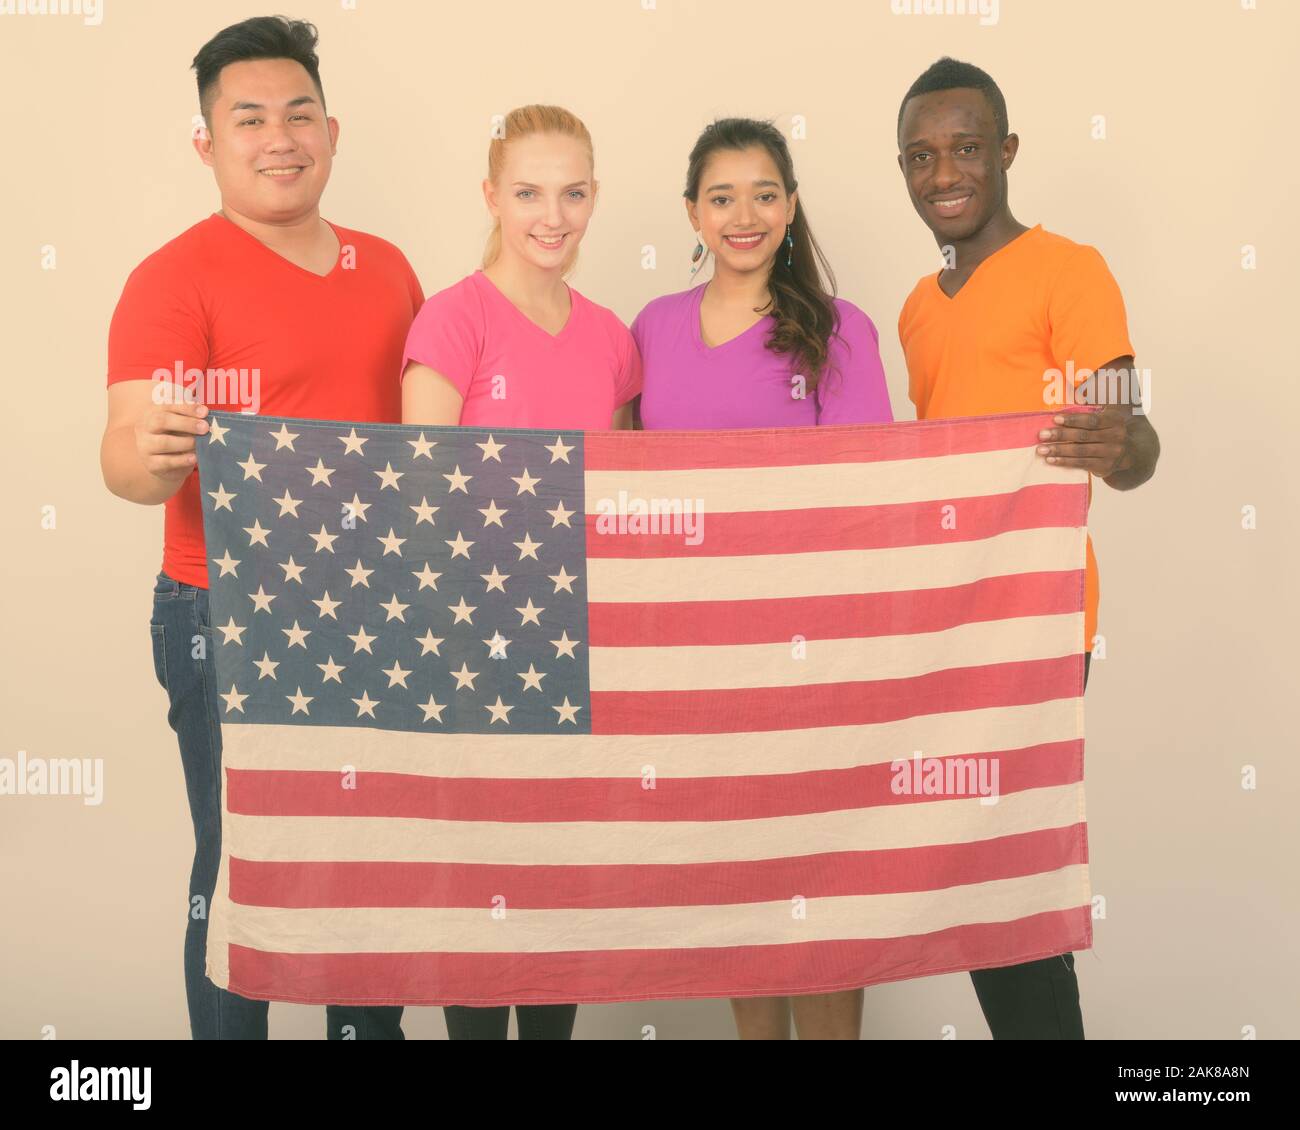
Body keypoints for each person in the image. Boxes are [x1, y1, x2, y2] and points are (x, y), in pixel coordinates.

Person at [100, 15, 423, 1040]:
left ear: (331, 130)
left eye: (298, 114)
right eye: (249, 119)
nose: (278, 137)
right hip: (223, 609)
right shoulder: (171, 278)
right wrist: (144, 454)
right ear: (207, 142)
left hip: (380, 610)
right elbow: (124, 452)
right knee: (243, 863)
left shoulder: (391, 271)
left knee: (371, 863)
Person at [895, 56, 1161, 1039]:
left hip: (1041, 619)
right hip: (947, 626)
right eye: (921, 156)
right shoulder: (915, 308)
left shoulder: (1069, 268)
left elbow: (1131, 436)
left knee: (998, 874)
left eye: (965, 148)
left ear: (1004, 152)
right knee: (979, 878)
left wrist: (1125, 439)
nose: (944, 173)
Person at [631, 117, 894, 1039]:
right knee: (740, 882)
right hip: (699, 661)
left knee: (819, 889)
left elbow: (869, 507)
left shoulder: (839, 331)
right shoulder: (653, 328)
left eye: (765, 193)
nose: (745, 215)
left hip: (810, 658)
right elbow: (624, 486)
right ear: (693, 213)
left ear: (790, 206)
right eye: (722, 195)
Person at [400, 104, 641, 1039]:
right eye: (531, 193)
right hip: (472, 651)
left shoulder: (613, 337)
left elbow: (622, 501)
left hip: (576, 646)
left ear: (595, 197)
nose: (554, 216)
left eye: (574, 193)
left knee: (557, 887)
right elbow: (417, 504)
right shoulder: (453, 319)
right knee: (481, 887)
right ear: (492, 196)